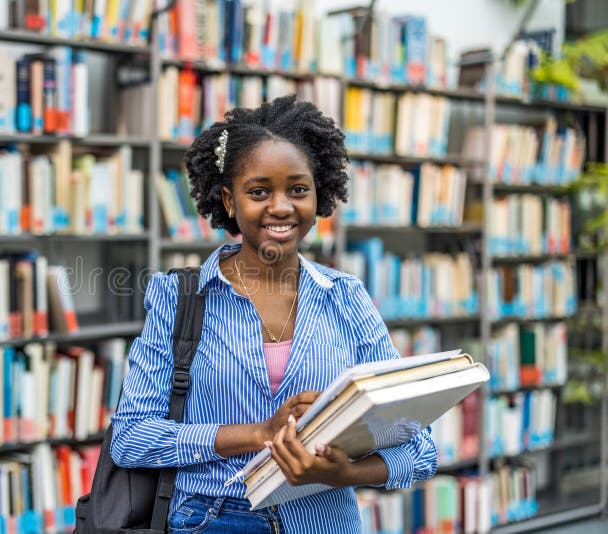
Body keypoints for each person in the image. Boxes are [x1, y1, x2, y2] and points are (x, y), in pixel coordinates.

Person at [110, 95, 437, 533]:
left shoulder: (347, 299)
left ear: (319, 194)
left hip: (323, 519)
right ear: (229, 200)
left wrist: (342, 473)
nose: (281, 207)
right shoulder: (179, 297)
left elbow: (422, 449)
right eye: (259, 191)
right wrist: (257, 433)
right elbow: (131, 439)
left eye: (298, 189)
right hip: (211, 519)